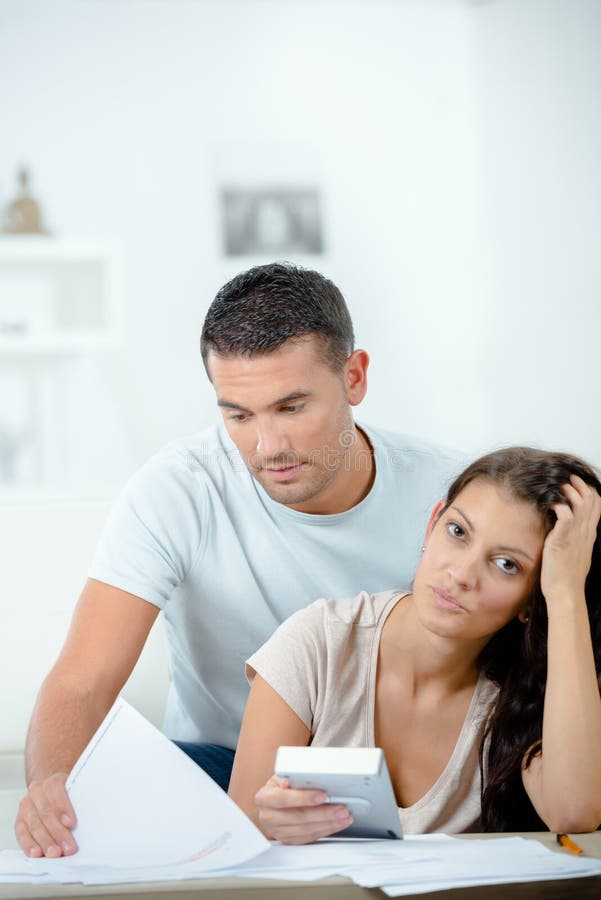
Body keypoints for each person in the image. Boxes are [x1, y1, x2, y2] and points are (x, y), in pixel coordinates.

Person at [15, 262, 461, 858]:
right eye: (239, 415)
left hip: (385, 765)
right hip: (218, 764)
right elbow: (81, 681)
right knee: (102, 794)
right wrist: (54, 792)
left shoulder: (452, 495)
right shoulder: (177, 489)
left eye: (292, 408)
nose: (268, 447)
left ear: (353, 378)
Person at [228, 447, 601, 840]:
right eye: (458, 532)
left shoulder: (530, 691)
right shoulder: (318, 641)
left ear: (533, 598)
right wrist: (270, 819)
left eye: (507, 564)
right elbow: (243, 827)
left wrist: (565, 595)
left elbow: (574, 814)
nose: (460, 575)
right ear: (432, 524)